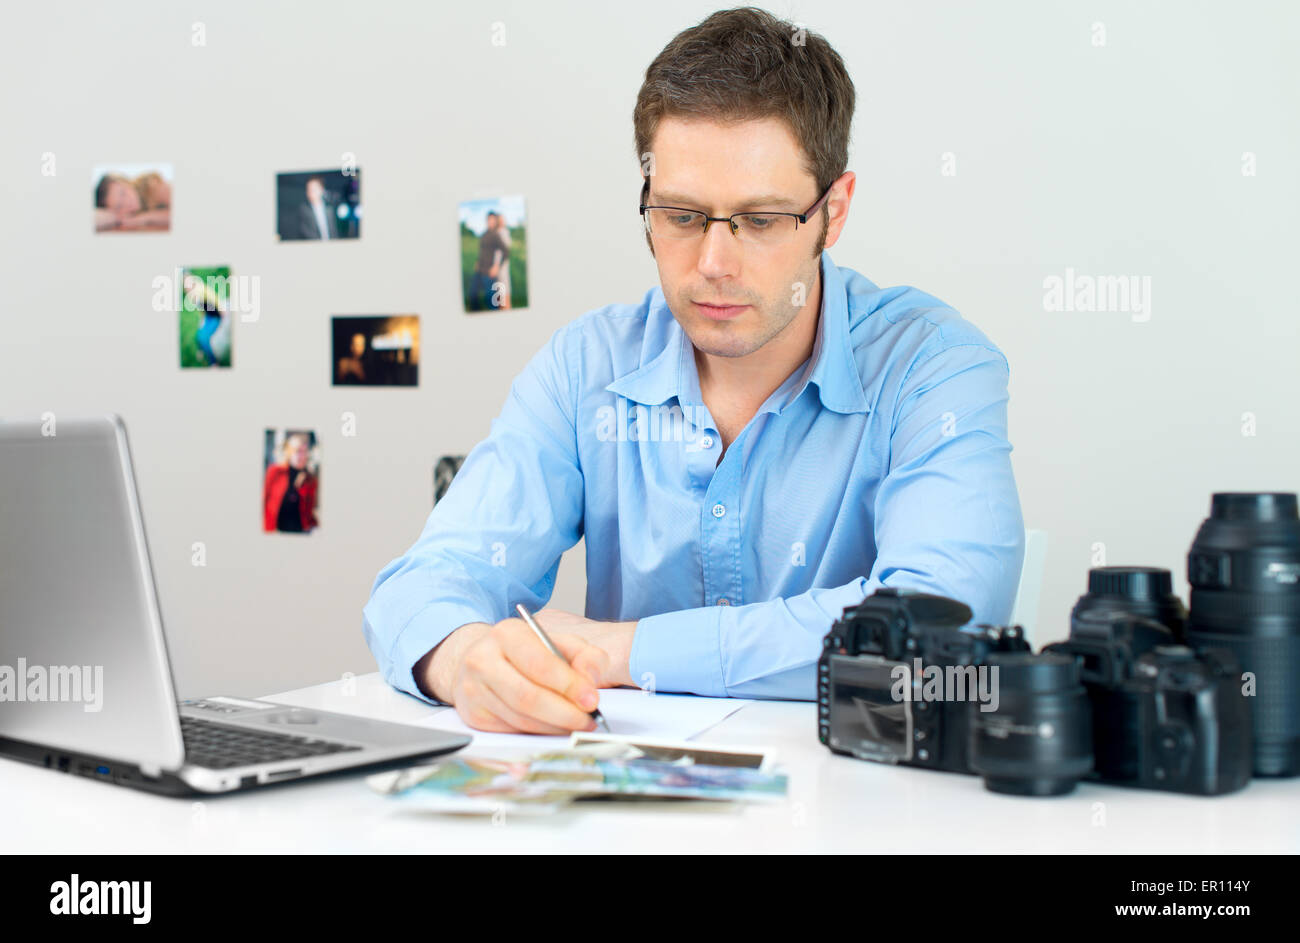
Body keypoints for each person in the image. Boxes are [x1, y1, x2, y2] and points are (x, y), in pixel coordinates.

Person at [364, 8, 1025, 734]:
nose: (713, 264)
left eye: (762, 220)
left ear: (833, 211)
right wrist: (463, 663)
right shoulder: (586, 367)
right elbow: (426, 582)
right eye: (680, 216)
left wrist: (628, 650)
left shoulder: (933, 366)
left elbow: (945, 618)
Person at [263, 433, 318, 533]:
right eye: (297, 451)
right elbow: (264, 500)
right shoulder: (275, 472)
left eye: (304, 452)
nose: (301, 456)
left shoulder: (310, 478)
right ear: (289, 452)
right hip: (276, 530)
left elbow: (309, 510)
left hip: (300, 531)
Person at [469, 211, 510, 310]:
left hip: (489, 273)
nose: (490, 222)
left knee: (491, 302)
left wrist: (497, 267)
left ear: (495, 222)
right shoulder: (484, 235)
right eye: (489, 220)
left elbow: (506, 251)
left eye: (492, 220)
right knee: (472, 294)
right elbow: (482, 251)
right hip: (479, 271)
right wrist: (477, 261)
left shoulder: (496, 235)